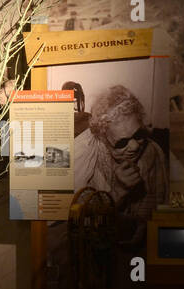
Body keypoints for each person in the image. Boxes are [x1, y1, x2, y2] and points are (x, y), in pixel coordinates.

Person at [71, 84, 167, 220]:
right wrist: (119, 191)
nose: (134, 146)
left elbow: (155, 216)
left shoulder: (152, 151)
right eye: (122, 143)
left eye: (138, 135)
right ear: (103, 138)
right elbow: (82, 224)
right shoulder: (85, 157)